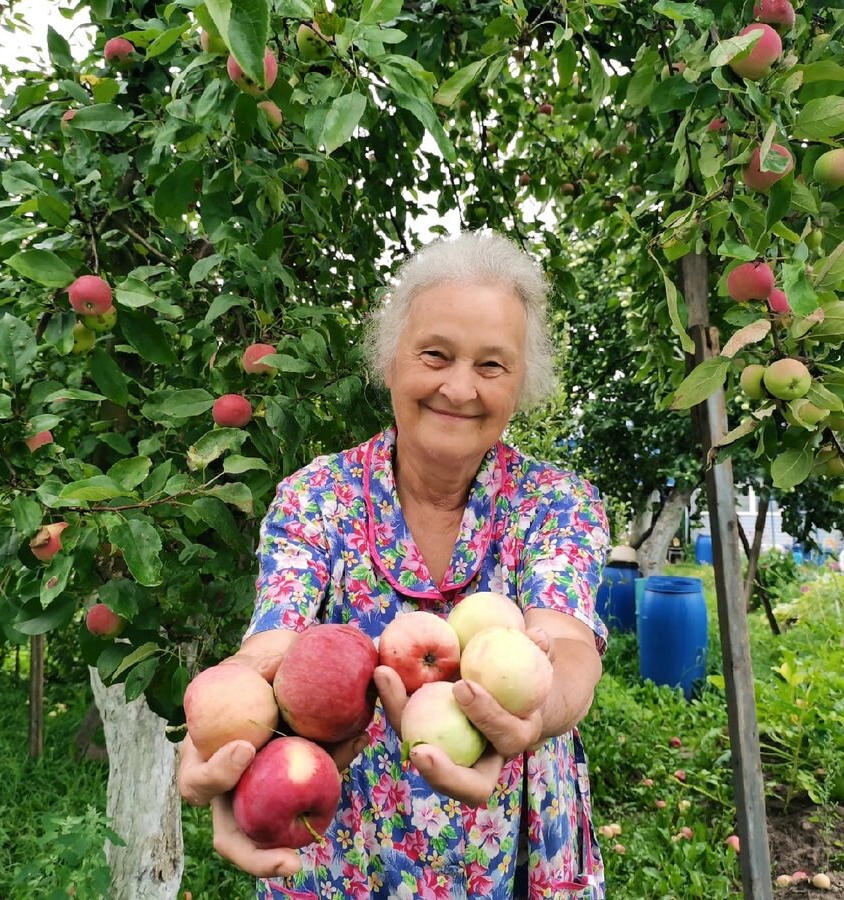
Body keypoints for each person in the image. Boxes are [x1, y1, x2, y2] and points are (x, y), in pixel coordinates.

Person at [178, 231, 610, 899]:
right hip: (347, 850)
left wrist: (534, 709)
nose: (459, 387)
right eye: (435, 354)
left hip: (513, 854)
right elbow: (273, 642)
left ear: (521, 384)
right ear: (389, 361)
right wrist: (227, 720)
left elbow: (573, 648)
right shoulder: (315, 498)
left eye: (492, 366)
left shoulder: (556, 503)